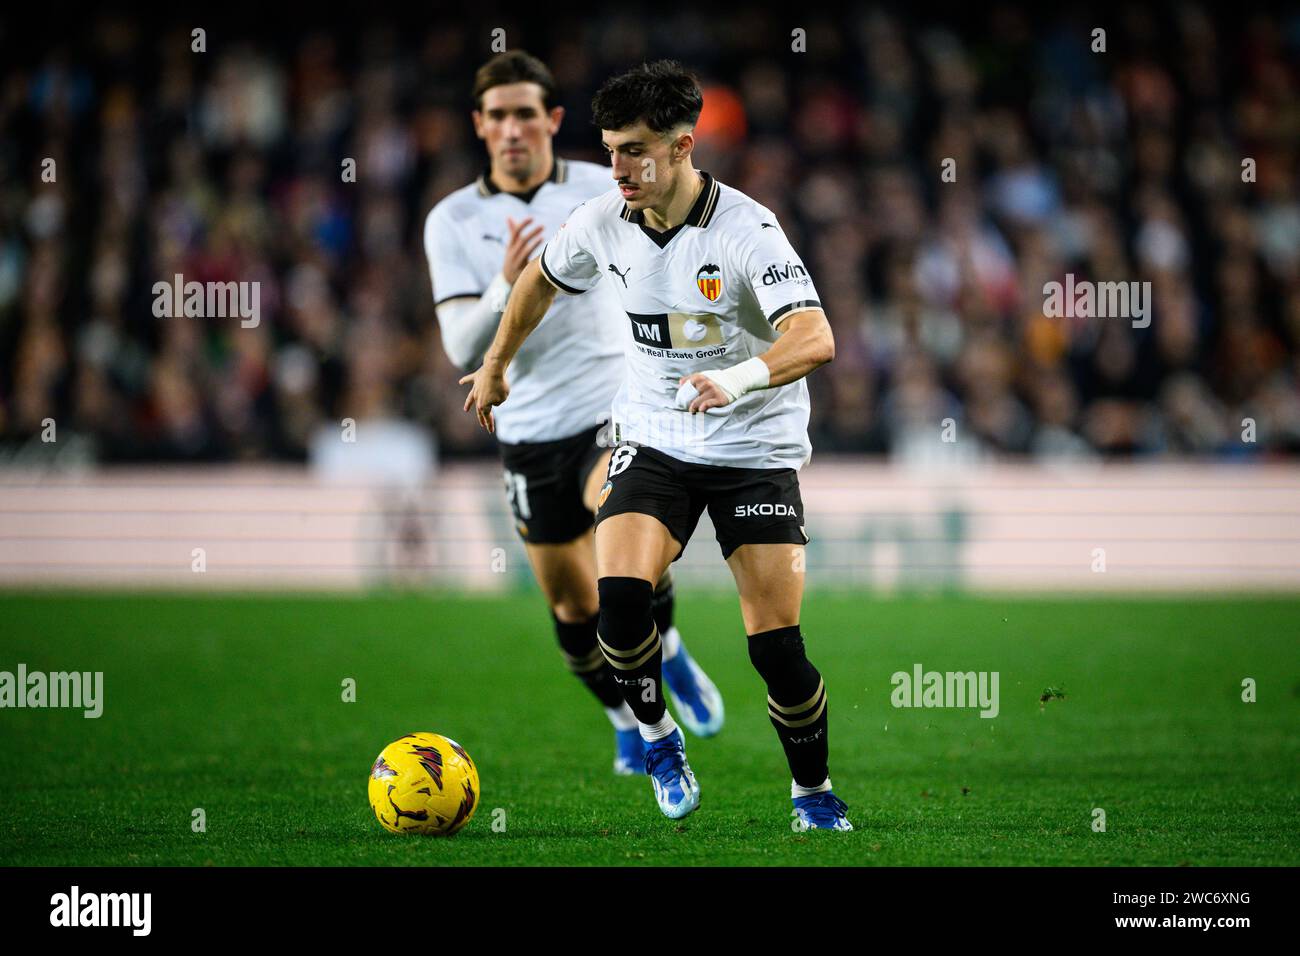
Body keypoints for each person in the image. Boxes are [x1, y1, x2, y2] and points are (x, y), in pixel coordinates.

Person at [461, 60, 850, 830]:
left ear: (682, 146)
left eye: (635, 151)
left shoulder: (747, 230)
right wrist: (496, 365)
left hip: (753, 448)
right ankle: (658, 738)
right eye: (610, 150)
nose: (618, 169)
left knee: (777, 651)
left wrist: (736, 379)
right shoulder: (605, 221)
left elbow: (816, 337)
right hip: (656, 435)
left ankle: (812, 793)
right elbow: (539, 280)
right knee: (621, 602)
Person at [424, 52, 724, 777]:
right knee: (571, 608)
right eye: (497, 115)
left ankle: (670, 654)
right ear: (480, 126)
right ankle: (626, 717)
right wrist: (506, 285)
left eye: (526, 112)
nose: (512, 128)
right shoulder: (454, 220)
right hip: (526, 431)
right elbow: (460, 343)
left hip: (611, 409)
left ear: (553, 120)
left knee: (627, 540)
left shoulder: (603, 185)